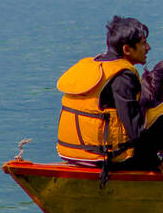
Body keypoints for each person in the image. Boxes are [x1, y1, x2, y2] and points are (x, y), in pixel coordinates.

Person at [56, 16, 151, 182]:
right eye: (143, 43)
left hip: (70, 154)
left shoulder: (91, 66)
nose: (148, 48)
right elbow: (133, 128)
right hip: (107, 159)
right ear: (127, 49)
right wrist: (160, 163)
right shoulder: (123, 76)